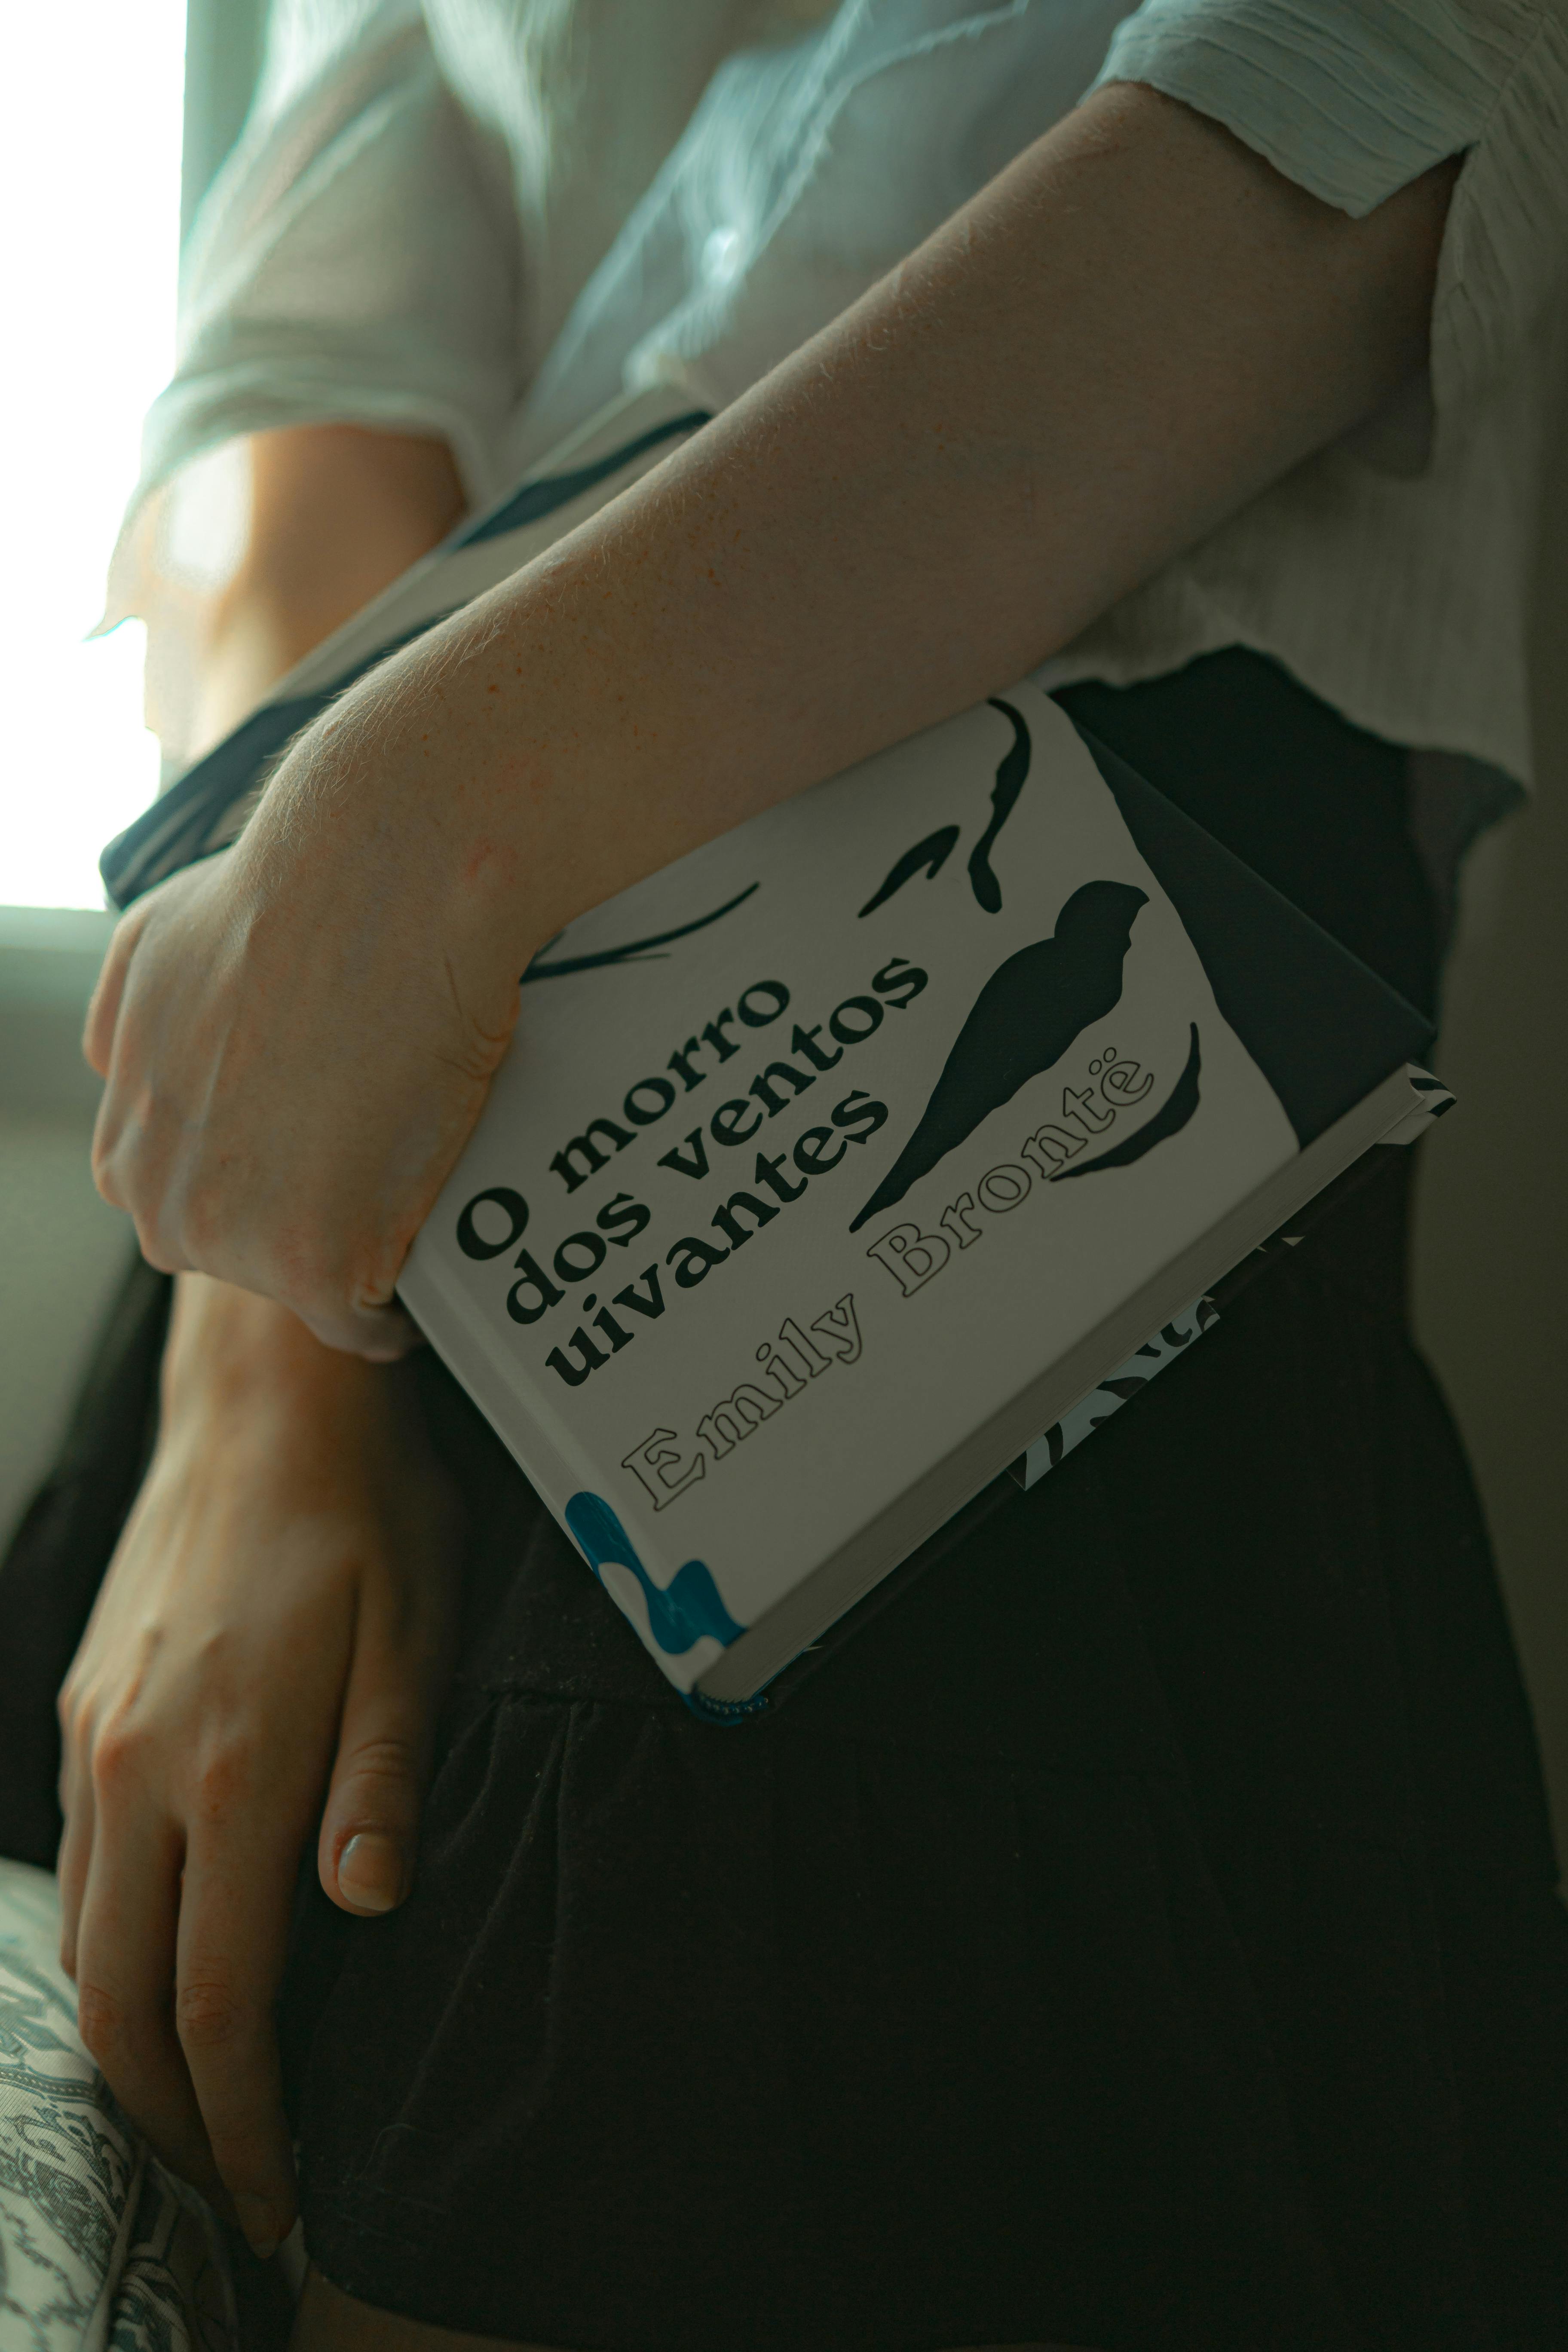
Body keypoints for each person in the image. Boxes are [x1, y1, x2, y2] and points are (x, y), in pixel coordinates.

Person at [3, 0, 1567, 2344]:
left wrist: (426, 822)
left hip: (1002, 1154)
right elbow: (307, 359)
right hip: (391, 1104)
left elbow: (1371, 96)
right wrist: (264, 1375)